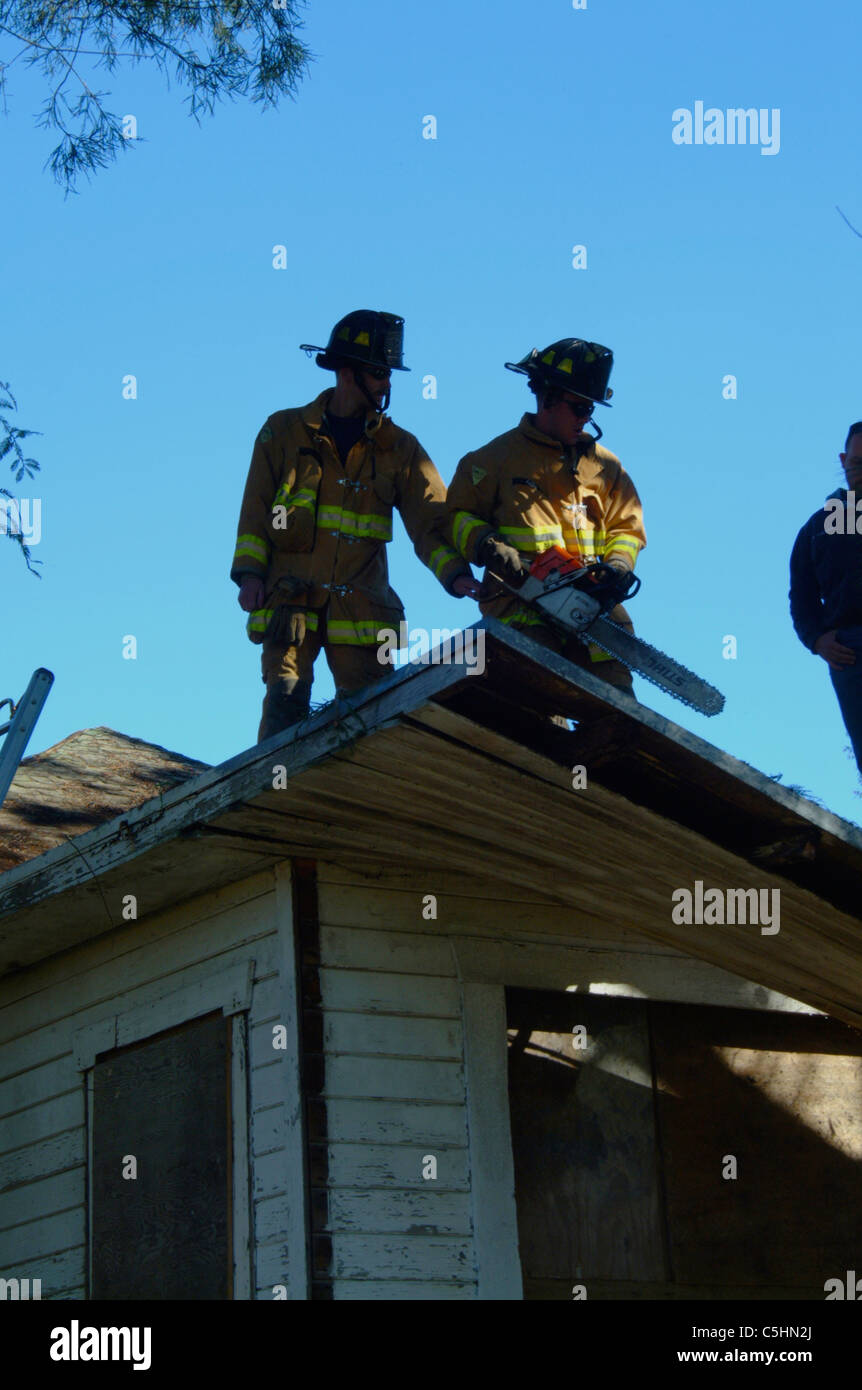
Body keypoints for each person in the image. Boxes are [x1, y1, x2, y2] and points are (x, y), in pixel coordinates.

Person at [231, 310, 477, 741]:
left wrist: (457, 575)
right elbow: (254, 512)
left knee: (373, 723)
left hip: (364, 614)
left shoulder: (400, 448)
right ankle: (278, 799)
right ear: (347, 372)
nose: (387, 384)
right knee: (283, 708)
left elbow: (431, 520)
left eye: (388, 374)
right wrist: (250, 575)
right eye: (378, 373)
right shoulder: (283, 431)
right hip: (290, 605)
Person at [445, 338, 646, 691]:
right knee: (535, 701)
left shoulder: (606, 467)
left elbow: (626, 528)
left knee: (618, 702)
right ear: (547, 397)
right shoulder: (492, 460)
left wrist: (617, 567)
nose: (585, 418)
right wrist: (488, 545)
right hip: (521, 606)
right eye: (578, 408)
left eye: (590, 410)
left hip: (593, 607)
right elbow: (455, 516)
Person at [789, 420, 862, 776]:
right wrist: (817, 640)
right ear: (843, 459)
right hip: (850, 653)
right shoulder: (818, 527)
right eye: (858, 463)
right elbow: (801, 596)